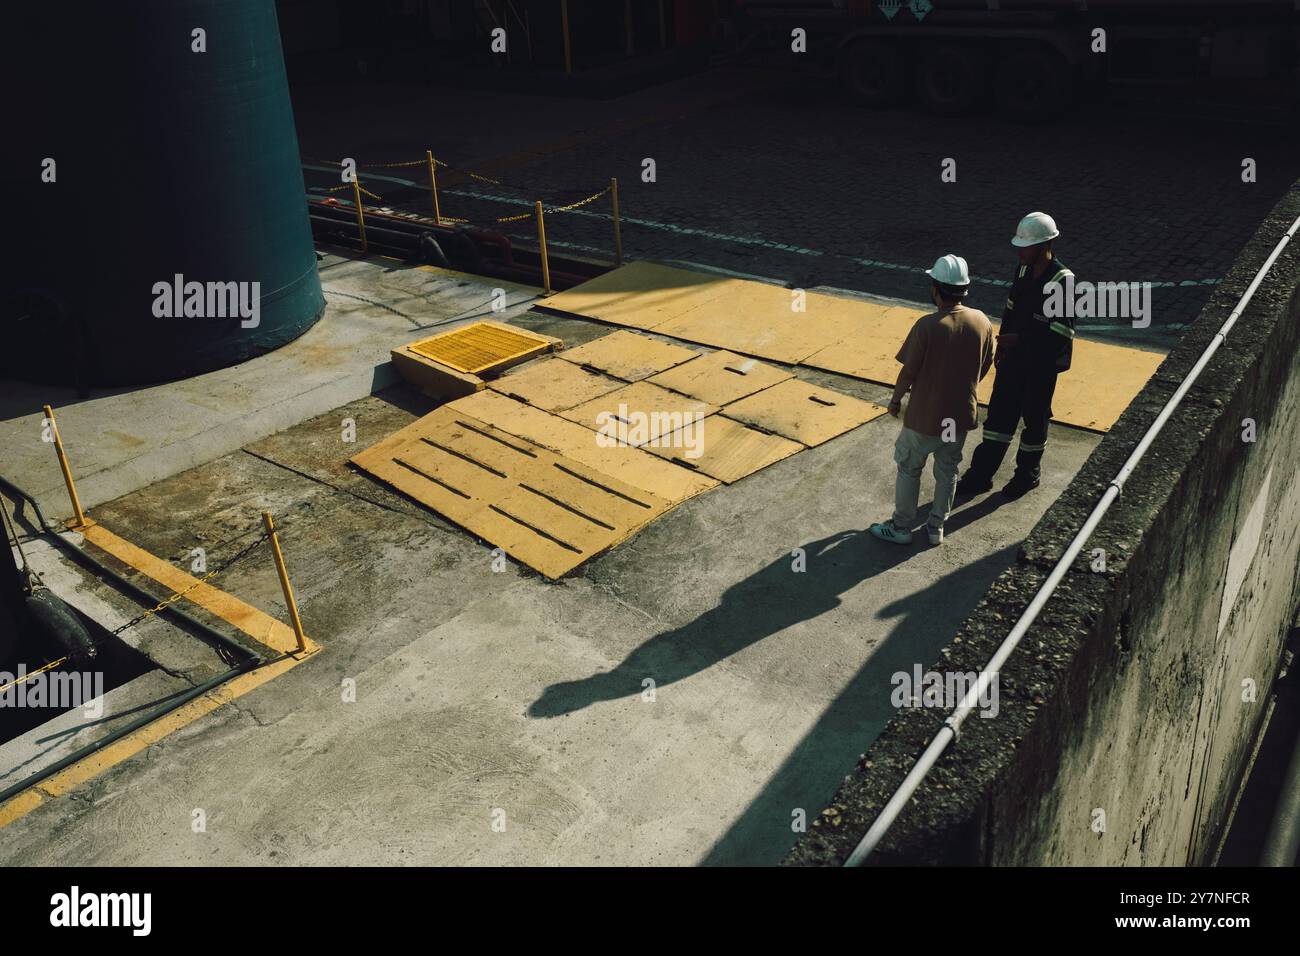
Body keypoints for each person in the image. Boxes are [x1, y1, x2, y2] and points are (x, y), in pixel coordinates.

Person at [869, 255, 994, 546]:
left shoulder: (927, 326)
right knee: (948, 470)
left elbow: (908, 371)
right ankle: (936, 527)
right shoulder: (982, 322)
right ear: (964, 289)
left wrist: (896, 400)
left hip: (925, 417)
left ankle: (901, 527)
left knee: (909, 468)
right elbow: (985, 366)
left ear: (936, 289)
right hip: (959, 417)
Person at [957, 211, 1075, 500]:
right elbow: (1011, 310)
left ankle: (1027, 474)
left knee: (1035, 419)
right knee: (999, 416)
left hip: (1041, 365)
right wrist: (1004, 347)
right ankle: (981, 474)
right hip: (1015, 360)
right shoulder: (1022, 270)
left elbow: (1061, 334)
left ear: (1045, 245)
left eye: (1026, 245)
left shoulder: (1063, 281)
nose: (1019, 250)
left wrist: (1020, 340)